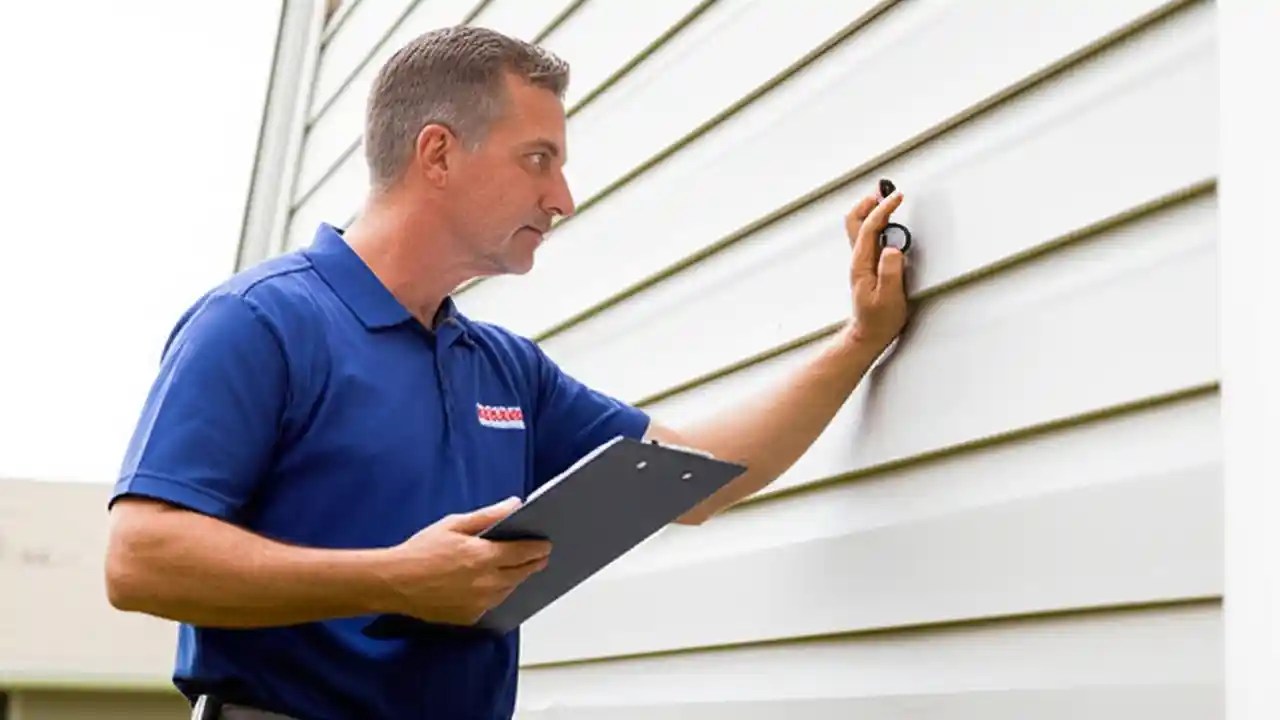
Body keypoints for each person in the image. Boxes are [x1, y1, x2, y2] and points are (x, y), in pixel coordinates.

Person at [104, 24, 909, 720]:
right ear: (438, 154)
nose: (562, 196)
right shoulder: (260, 323)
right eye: (537, 159)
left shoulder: (504, 368)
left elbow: (698, 480)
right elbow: (140, 558)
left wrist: (857, 343)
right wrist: (394, 580)